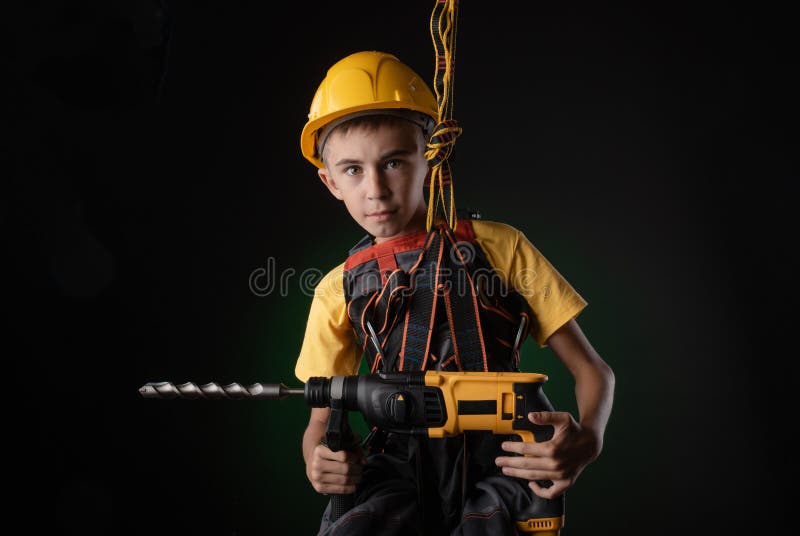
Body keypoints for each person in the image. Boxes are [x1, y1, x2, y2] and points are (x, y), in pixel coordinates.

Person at [294, 50, 615, 536]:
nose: (375, 190)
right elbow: (322, 419)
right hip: (394, 472)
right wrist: (320, 461)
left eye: (394, 162)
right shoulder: (338, 288)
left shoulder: (501, 249)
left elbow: (595, 373)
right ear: (330, 180)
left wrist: (587, 439)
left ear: (431, 157)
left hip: (506, 464)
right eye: (353, 170)